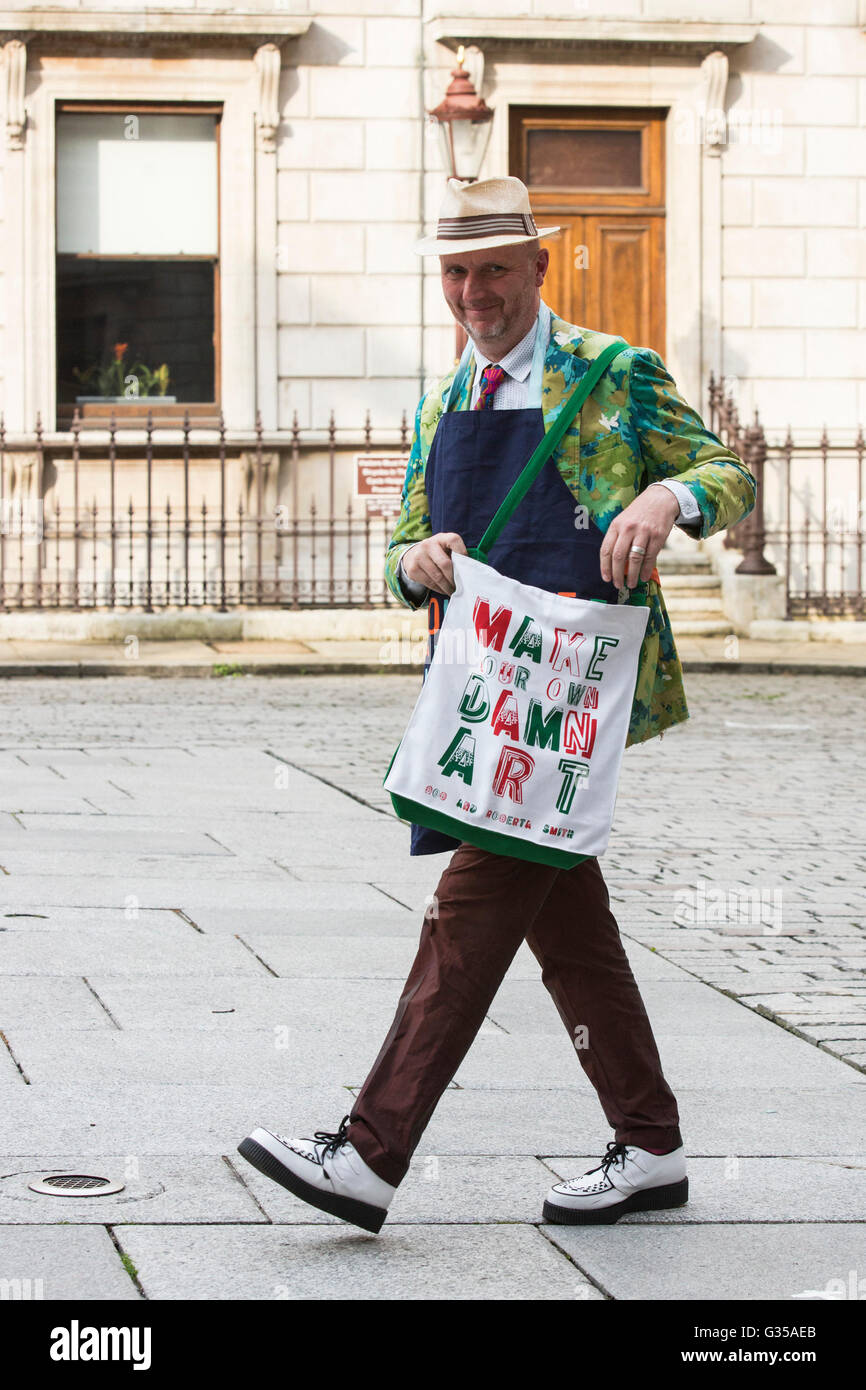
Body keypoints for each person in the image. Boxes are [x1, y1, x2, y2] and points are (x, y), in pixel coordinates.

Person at [238, 177, 757, 1235]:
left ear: (537, 267)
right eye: (455, 272)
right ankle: (648, 1146)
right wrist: (414, 560)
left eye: (491, 270)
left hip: (565, 704)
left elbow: (725, 471)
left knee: (467, 913)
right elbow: (404, 545)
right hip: (481, 697)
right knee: (570, 931)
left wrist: (665, 497)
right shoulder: (441, 403)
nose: (473, 292)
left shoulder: (613, 376)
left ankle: (370, 1152)